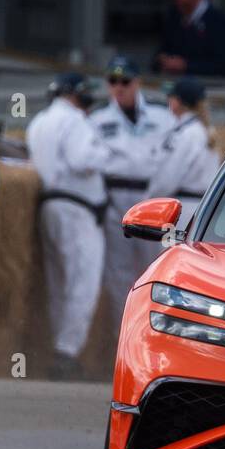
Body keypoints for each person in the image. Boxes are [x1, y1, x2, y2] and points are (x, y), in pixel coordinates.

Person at [26, 72, 114, 381]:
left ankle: (59, 348)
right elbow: (82, 159)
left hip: (50, 204)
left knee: (59, 284)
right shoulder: (76, 121)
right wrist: (106, 153)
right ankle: (66, 353)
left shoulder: (38, 122)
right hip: (78, 207)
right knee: (82, 283)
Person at [89, 55, 175, 348]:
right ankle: (123, 336)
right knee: (118, 272)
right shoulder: (97, 119)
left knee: (155, 266)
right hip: (115, 198)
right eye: (113, 81)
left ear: (137, 83)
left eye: (125, 81)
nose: (119, 87)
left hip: (153, 197)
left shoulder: (162, 117)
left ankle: (157, 336)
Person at [147, 77, 220, 233]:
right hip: (204, 210)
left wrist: (150, 198)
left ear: (178, 101)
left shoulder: (186, 133)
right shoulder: (206, 130)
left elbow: (168, 177)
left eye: (171, 97)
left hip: (183, 210)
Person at [154, 0, 225, 77]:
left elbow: (224, 66)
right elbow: (162, 50)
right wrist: (162, 60)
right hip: (174, 83)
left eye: (184, 3)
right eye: (177, 2)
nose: (180, 7)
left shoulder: (220, 22)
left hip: (209, 86)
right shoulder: (174, 16)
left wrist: (186, 66)